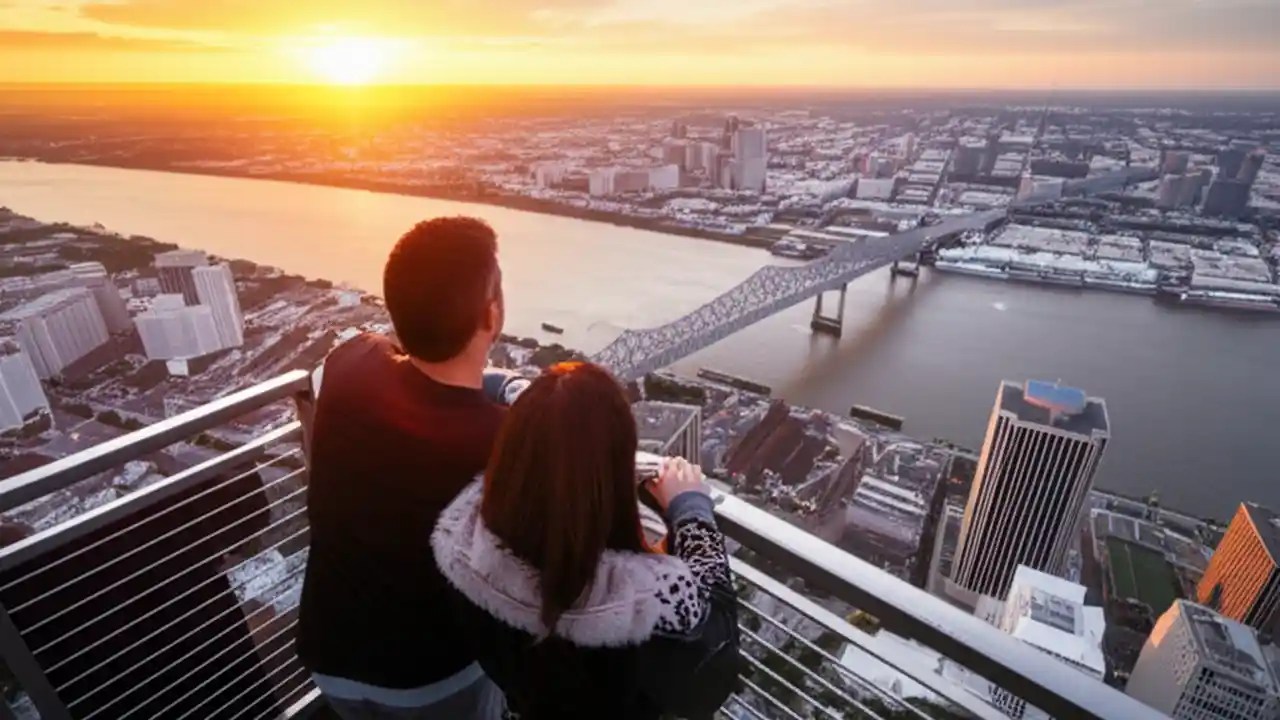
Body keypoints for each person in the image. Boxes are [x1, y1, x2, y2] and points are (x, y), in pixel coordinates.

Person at [432, 362, 740, 720]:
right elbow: (711, 666)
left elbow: (547, 454)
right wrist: (691, 508)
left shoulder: (463, 549)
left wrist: (518, 392)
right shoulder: (641, 606)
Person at [297, 216, 510, 719]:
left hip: (328, 652)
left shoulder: (349, 363)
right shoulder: (506, 440)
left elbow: (406, 375)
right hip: (430, 673)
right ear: (492, 313)